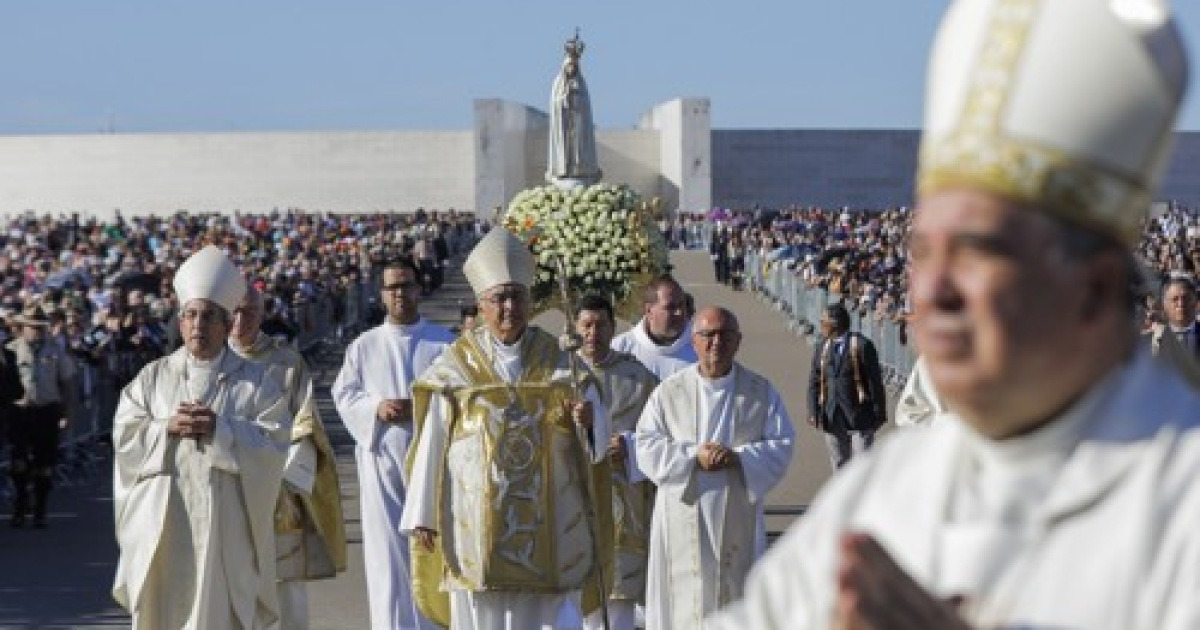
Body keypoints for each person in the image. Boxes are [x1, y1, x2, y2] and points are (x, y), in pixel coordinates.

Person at [709, 1, 1200, 628]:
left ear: (1095, 288)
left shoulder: (1181, 499)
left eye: (980, 251)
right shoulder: (893, 487)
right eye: (922, 252)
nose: (933, 289)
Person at [400, 226, 611, 630]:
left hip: (549, 525)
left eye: (516, 296)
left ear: (530, 301)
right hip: (478, 527)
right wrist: (423, 513)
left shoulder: (559, 359)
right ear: (481, 306)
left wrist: (589, 422)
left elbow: (595, 434)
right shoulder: (456, 365)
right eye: (499, 298)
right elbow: (433, 442)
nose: (508, 307)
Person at [111, 245, 293, 629]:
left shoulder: (256, 382)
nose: (199, 325)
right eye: (191, 315)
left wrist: (221, 430)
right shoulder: (154, 378)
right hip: (165, 525)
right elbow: (125, 436)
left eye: (209, 317)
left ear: (227, 325)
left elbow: (275, 443)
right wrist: (166, 429)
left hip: (223, 530)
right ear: (179, 323)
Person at [635, 306, 795, 629]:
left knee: (734, 595)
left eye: (725, 335)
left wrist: (739, 458)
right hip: (681, 511)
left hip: (738, 510)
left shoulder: (760, 393)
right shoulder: (668, 393)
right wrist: (694, 456)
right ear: (693, 341)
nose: (715, 343)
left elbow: (782, 444)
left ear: (738, 341)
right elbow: (645, 446)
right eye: (707, 335)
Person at [330, 258, 455, 630]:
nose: (400, 294)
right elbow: (345, 395)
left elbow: (460, 398)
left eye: (406, 286)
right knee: (388, 561)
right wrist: (376, 407)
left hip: (434, 469)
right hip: (383, 467)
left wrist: (421, 411)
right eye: (392, 287)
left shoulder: (444, 343)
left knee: (434, 554)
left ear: (419, 289)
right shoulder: (363, 347)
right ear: (382, 294)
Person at [229, 285, 347, 629]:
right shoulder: (211, 363)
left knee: (285, 589)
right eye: (234, 311)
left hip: (278, 493)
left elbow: (306, 421)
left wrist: (283, 477)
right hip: (229, 490)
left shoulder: (286, 363)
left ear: (262, 314)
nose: (241, 320)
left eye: (249, 311)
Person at [575, 294, 660, 630]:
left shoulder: (637, 378)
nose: (593, 332)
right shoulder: (558, 375)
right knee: (577, 595)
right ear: (576, 327)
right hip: (575, 498)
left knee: (619, 596)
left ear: (613, 328)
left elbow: (659, 436)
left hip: (622, 498)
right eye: (586, 325)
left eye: (600, 325)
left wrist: (629, 446)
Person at [6, 305, 77, 528]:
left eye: (39, 327)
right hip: (19, 412)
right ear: (22, 328)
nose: (35, 331)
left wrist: (67, 412)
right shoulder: (11, 350)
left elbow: (67, 382)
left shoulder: (55, 351)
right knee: (18, 463)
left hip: (47, 410)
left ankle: (40, 510)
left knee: (44, 465)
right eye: (31, 327)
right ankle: (19, 506)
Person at [806, 303, 888, 469]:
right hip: (832, 414)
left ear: (835, 324)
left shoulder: (863, 346)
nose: (820, 325)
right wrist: (813, 410)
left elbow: (875, 382)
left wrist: (879, 414)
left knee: (863, 466)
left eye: (823, 322)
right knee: (839, 463)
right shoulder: (822, 347)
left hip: (860, 414)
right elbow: (814, 380)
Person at [610, 276, 697, 380]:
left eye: (681, 305)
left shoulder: (702, 345)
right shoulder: (620, 349)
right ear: (649, 311)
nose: (679, 313)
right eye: (670, 307)